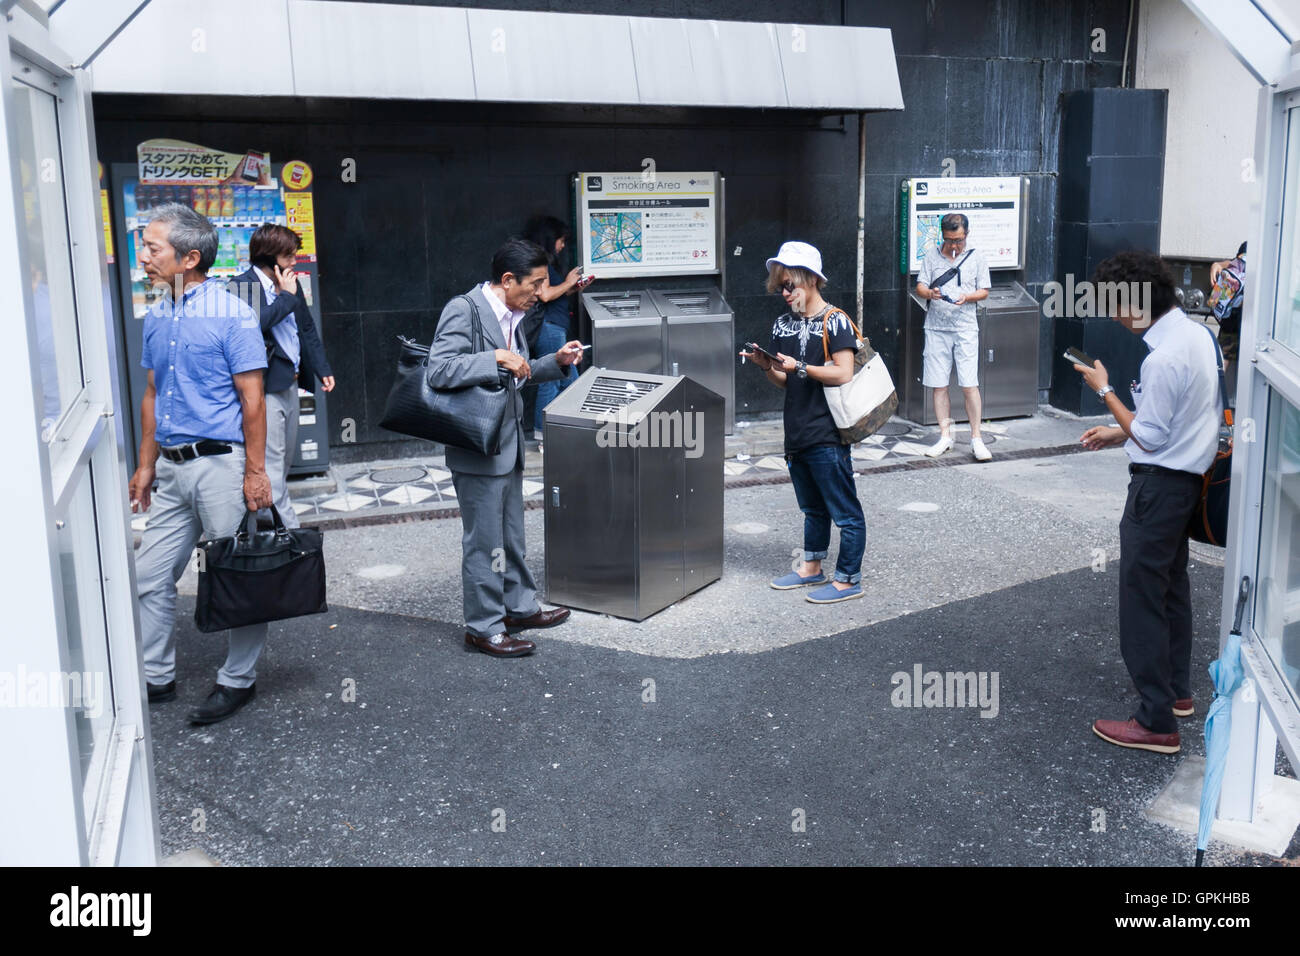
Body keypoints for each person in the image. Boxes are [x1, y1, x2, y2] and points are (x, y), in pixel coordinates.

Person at [128, 203, 273, 725]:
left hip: (220, 467)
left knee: (237, 575)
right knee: (149, 576)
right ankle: (155, 677)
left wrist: (256, 473)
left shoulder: (232, 314)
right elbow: (151, 393)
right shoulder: (158, 312)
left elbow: (252, 400)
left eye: (153, 247)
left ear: (189, 258)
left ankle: (238, 680)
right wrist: (146, 464)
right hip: (170, 469)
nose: (144, 255)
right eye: (145, 245)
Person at [1075, 250, 1221, 754]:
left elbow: (1154, 438)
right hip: (1187, 484)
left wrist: (1105, 391)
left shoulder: (1162, 357)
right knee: (1170, 590)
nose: (1115, 316)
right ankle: (1177, 694)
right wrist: (1121, 434)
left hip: (1158, 487)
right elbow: (1179, 419)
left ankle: (1156, 720)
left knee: (1141, 598)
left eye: (1116, 305)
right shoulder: (1197, 336)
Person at [427, 238, 584, 657]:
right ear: (507, 279)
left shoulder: (514, 313)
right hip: (477, 444)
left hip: (507, 442)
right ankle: (483, 626)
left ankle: (519, 607)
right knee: (485, 542)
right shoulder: (464, 309)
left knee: (511, 534)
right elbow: (438, 370)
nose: (539, 294)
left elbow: (518, 374)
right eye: (534, 286)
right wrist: (496, 356)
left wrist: (556, 362)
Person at [740, 241, 866, 604]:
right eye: (780, 285)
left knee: (845, 512)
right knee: (812, 508)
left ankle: (848, 578)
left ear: (810, 280)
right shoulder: (782, 324)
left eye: (790, 284)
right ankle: (812, 567)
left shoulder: (836, 320)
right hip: (796, 429)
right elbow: (786, 381)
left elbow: (843, 373)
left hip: (828, 431)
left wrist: (800, 367)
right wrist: (768, 367)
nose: (784, 291)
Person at [227, 224, 336, 529]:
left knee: (283, 459)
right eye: (289, 255)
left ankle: (261, 518)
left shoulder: (289, 283)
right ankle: (291, 534)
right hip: (263, 388)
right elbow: (254, 326)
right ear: (269, 256)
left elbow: (306, 328)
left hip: (291, 382)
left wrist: (322, 367)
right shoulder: (241, 286)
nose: (294, 261)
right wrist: (286, 297)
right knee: (272, 464)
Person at [915, 213, 992, 461]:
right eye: (949, 240)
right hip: (936, 327)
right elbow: (920, 285)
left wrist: (967, 297)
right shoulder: (931, 255)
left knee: (969, 384)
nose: (954, 245)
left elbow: (985, 291)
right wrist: (930, 293)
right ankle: (945, 436)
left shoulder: (977, 257)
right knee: (939, 384)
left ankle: (976, 438)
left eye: (958, 240)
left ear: (966, 235)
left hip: (966, 327)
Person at [524, 215, 588, 438]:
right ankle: (545, 433)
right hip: (549, 327)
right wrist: (569, 282)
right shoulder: (540, 261)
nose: (562, 245)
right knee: (552, 380)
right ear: (550, 239)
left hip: (554, 326)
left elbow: (555, 293)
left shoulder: (544, 261)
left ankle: (556, 432)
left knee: (565, 379)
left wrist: (573, 288)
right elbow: (546, 294)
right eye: (561, 240)